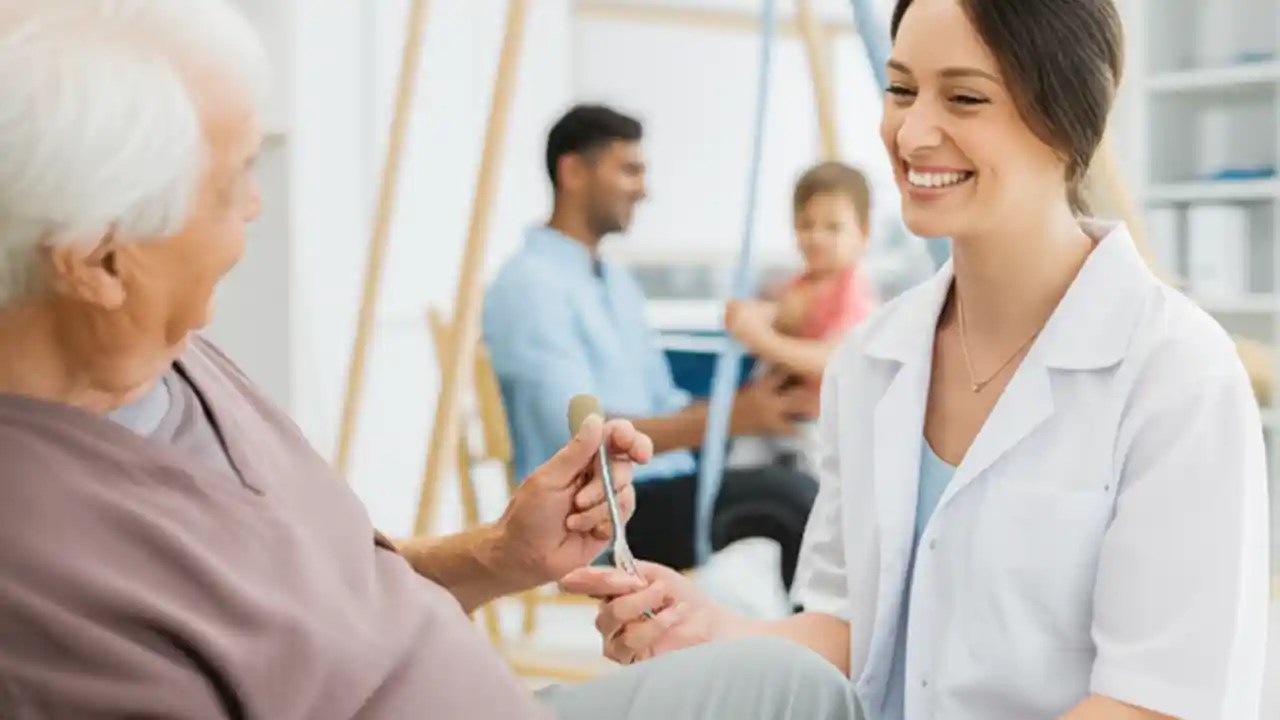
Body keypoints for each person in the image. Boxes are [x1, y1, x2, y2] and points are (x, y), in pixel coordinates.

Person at [0, 2, 864, 718]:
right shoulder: (44, 568)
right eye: (229, 185)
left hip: (494, 693)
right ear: (99, 260)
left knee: (798, 683)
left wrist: (499, 554)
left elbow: (333, 596)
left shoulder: (182, 359)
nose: (259, 206)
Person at [561, 0, 1271, 718]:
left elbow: (1154, 703)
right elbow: (854, 633)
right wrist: (719, 631)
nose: (912, 131)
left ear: (1065, 115)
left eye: (963, 98)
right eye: (901, 89)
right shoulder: (870, 362)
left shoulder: (1176, 375)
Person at [484, 104, 819, 592]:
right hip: (599, 515)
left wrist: (758, 404)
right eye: (628, 170)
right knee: (787, 498)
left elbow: (665, 405)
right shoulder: (528, 287)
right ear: (573, 171)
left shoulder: (616, 283)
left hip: (661, 484)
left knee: (815, 482)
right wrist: (732, 417)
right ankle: (813, 661)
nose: (644, 188)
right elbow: (580, 439)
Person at [725, 160, 879, 382]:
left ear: (863, 233)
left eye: (832, 227)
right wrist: (758, 314)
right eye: (806, 225)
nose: (816, 237)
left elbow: (837, 360)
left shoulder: (854, 293)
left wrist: (764, 341)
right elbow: (788, 315)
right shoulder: (806, 283)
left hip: (830, 413)